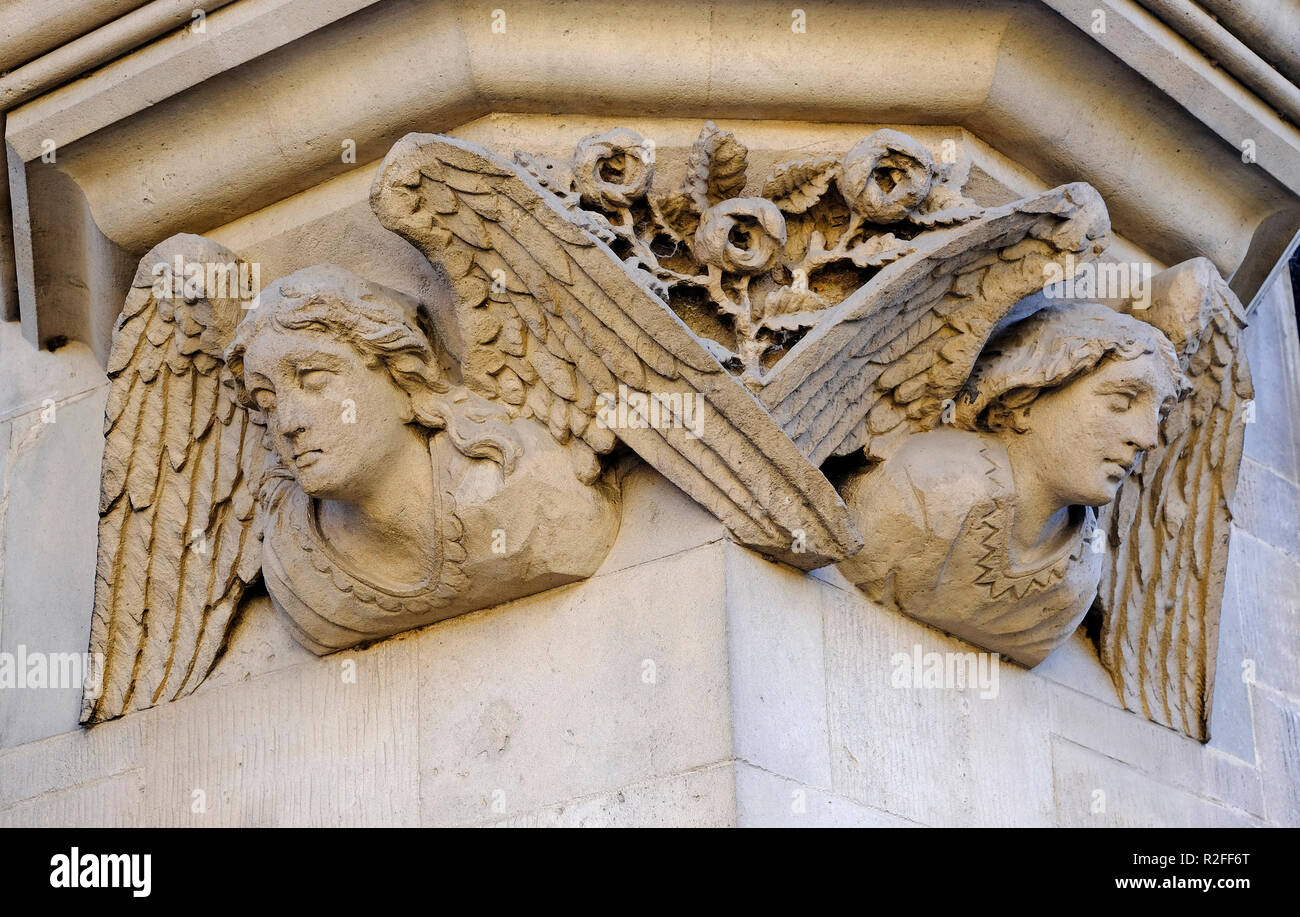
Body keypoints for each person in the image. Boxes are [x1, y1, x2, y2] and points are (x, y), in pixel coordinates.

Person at [226, 265, 620, 653]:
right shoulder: (297, 568)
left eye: (314, 380)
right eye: (268, 401)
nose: (290, 423)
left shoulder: (519, 488)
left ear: (402, 379)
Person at [836, 302, 1186, 666]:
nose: (1147, 438)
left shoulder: (1078, 576)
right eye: (1122, 401)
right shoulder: (927, 487)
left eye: (1159, 415)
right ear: (1026, 395)